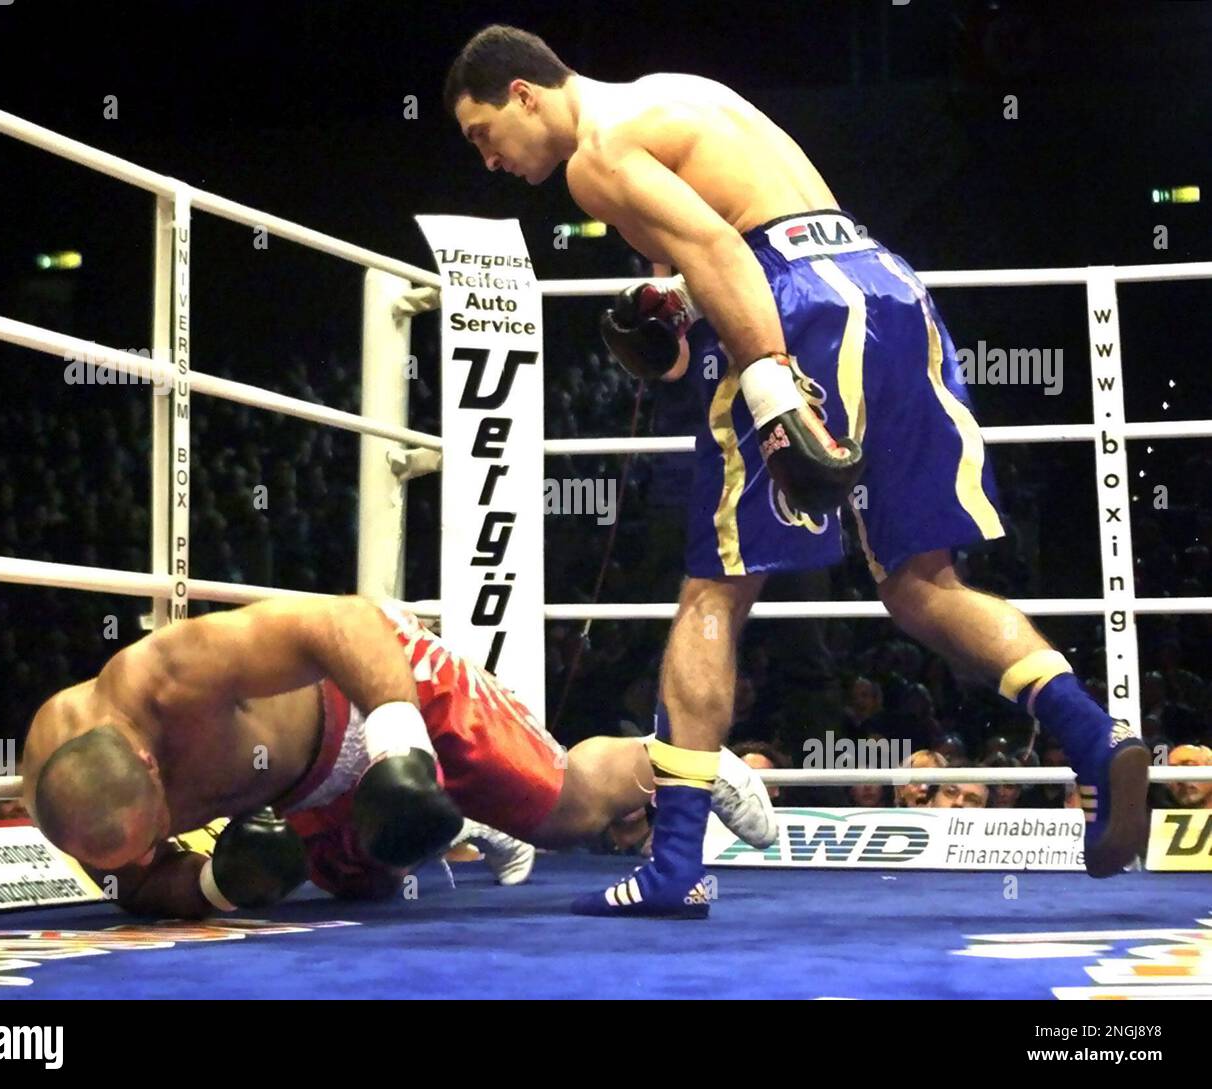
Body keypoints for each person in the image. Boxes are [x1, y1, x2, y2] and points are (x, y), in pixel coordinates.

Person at [444, 26, 1147, 915]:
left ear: (523, 94)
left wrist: (775, 388)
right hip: (887, 289)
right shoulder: (670, 89)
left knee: (714, 589)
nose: (490, 161)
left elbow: (726, 253)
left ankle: (672, 866)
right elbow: (708, 257)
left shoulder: (598, 154)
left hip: (794, 307)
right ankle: (1093, 734)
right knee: (921, 582)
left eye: (482, 135)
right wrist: (668, 316)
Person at [22, 595, 777, 917]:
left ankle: (686, 759)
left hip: (371, 689)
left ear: (149, 764)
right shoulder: (68, 793)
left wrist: (398, 747)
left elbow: (340, 622)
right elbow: (143, 886)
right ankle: (466, 818)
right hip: (308, 792)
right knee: (369, 893)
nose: (152, 848)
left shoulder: (171, 674)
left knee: (567, 813)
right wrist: (218, 883)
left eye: (156, 830)